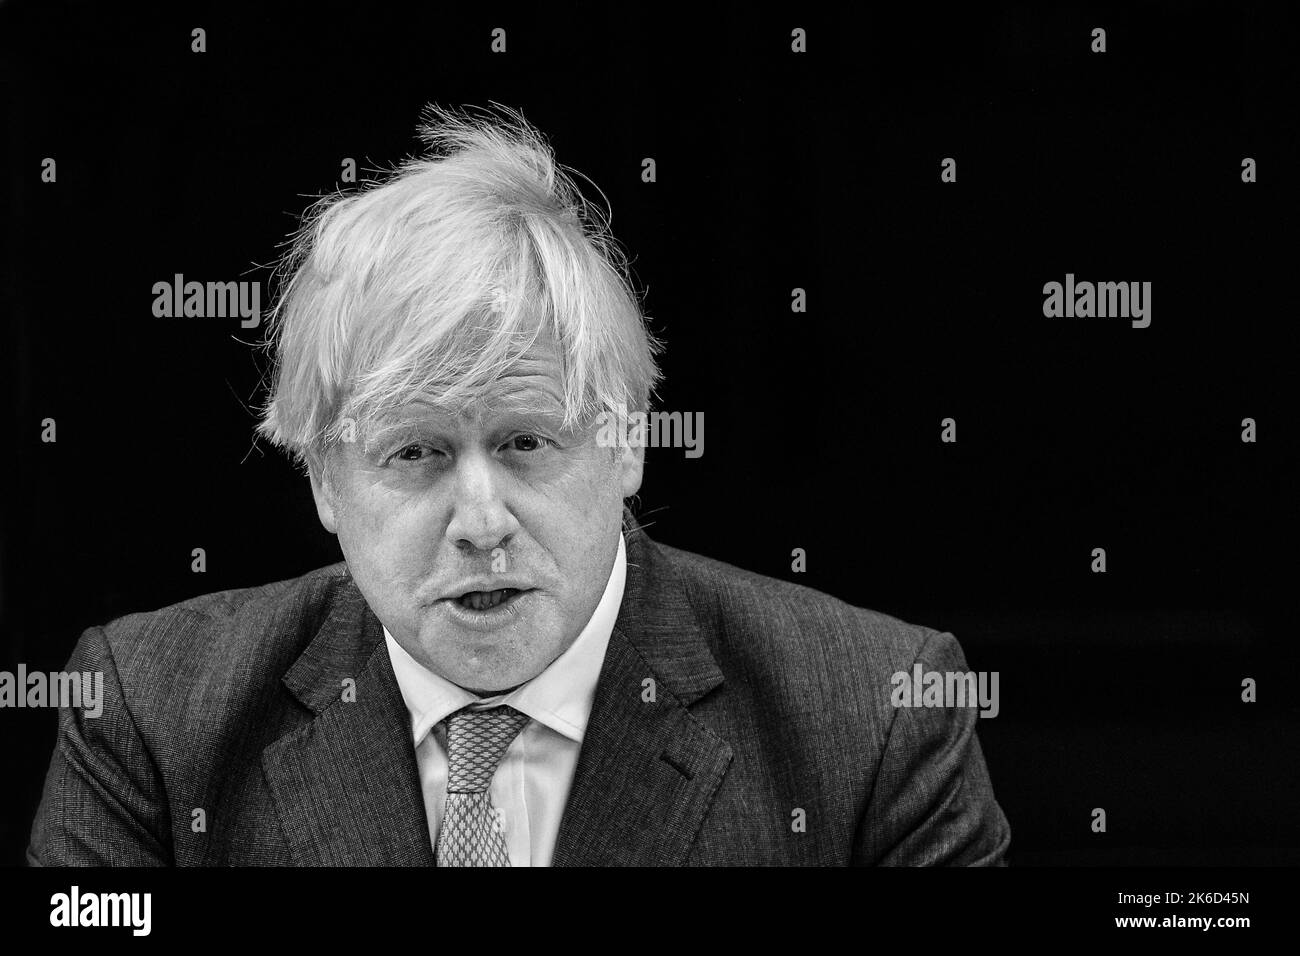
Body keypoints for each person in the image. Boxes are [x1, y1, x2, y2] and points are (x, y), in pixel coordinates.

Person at [28, 105, 1010, 866]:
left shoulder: (877, 722)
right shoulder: (151, 716)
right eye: (414, 452)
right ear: (325, 479)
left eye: (526, 440)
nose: (482, 521)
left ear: (627, 443)